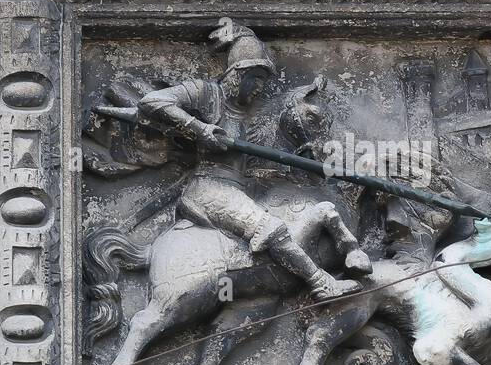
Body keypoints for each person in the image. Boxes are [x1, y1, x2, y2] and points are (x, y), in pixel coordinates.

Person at [133, 21, 360, 300]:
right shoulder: (206, 93)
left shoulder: (246, 114)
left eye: (264, 82)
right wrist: (199, 129)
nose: (259, 89)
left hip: (238, 189)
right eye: (256, 79)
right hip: (210, 189)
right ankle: (321, 283)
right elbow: (152, 102)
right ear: (237, 74)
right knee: (272, 227)